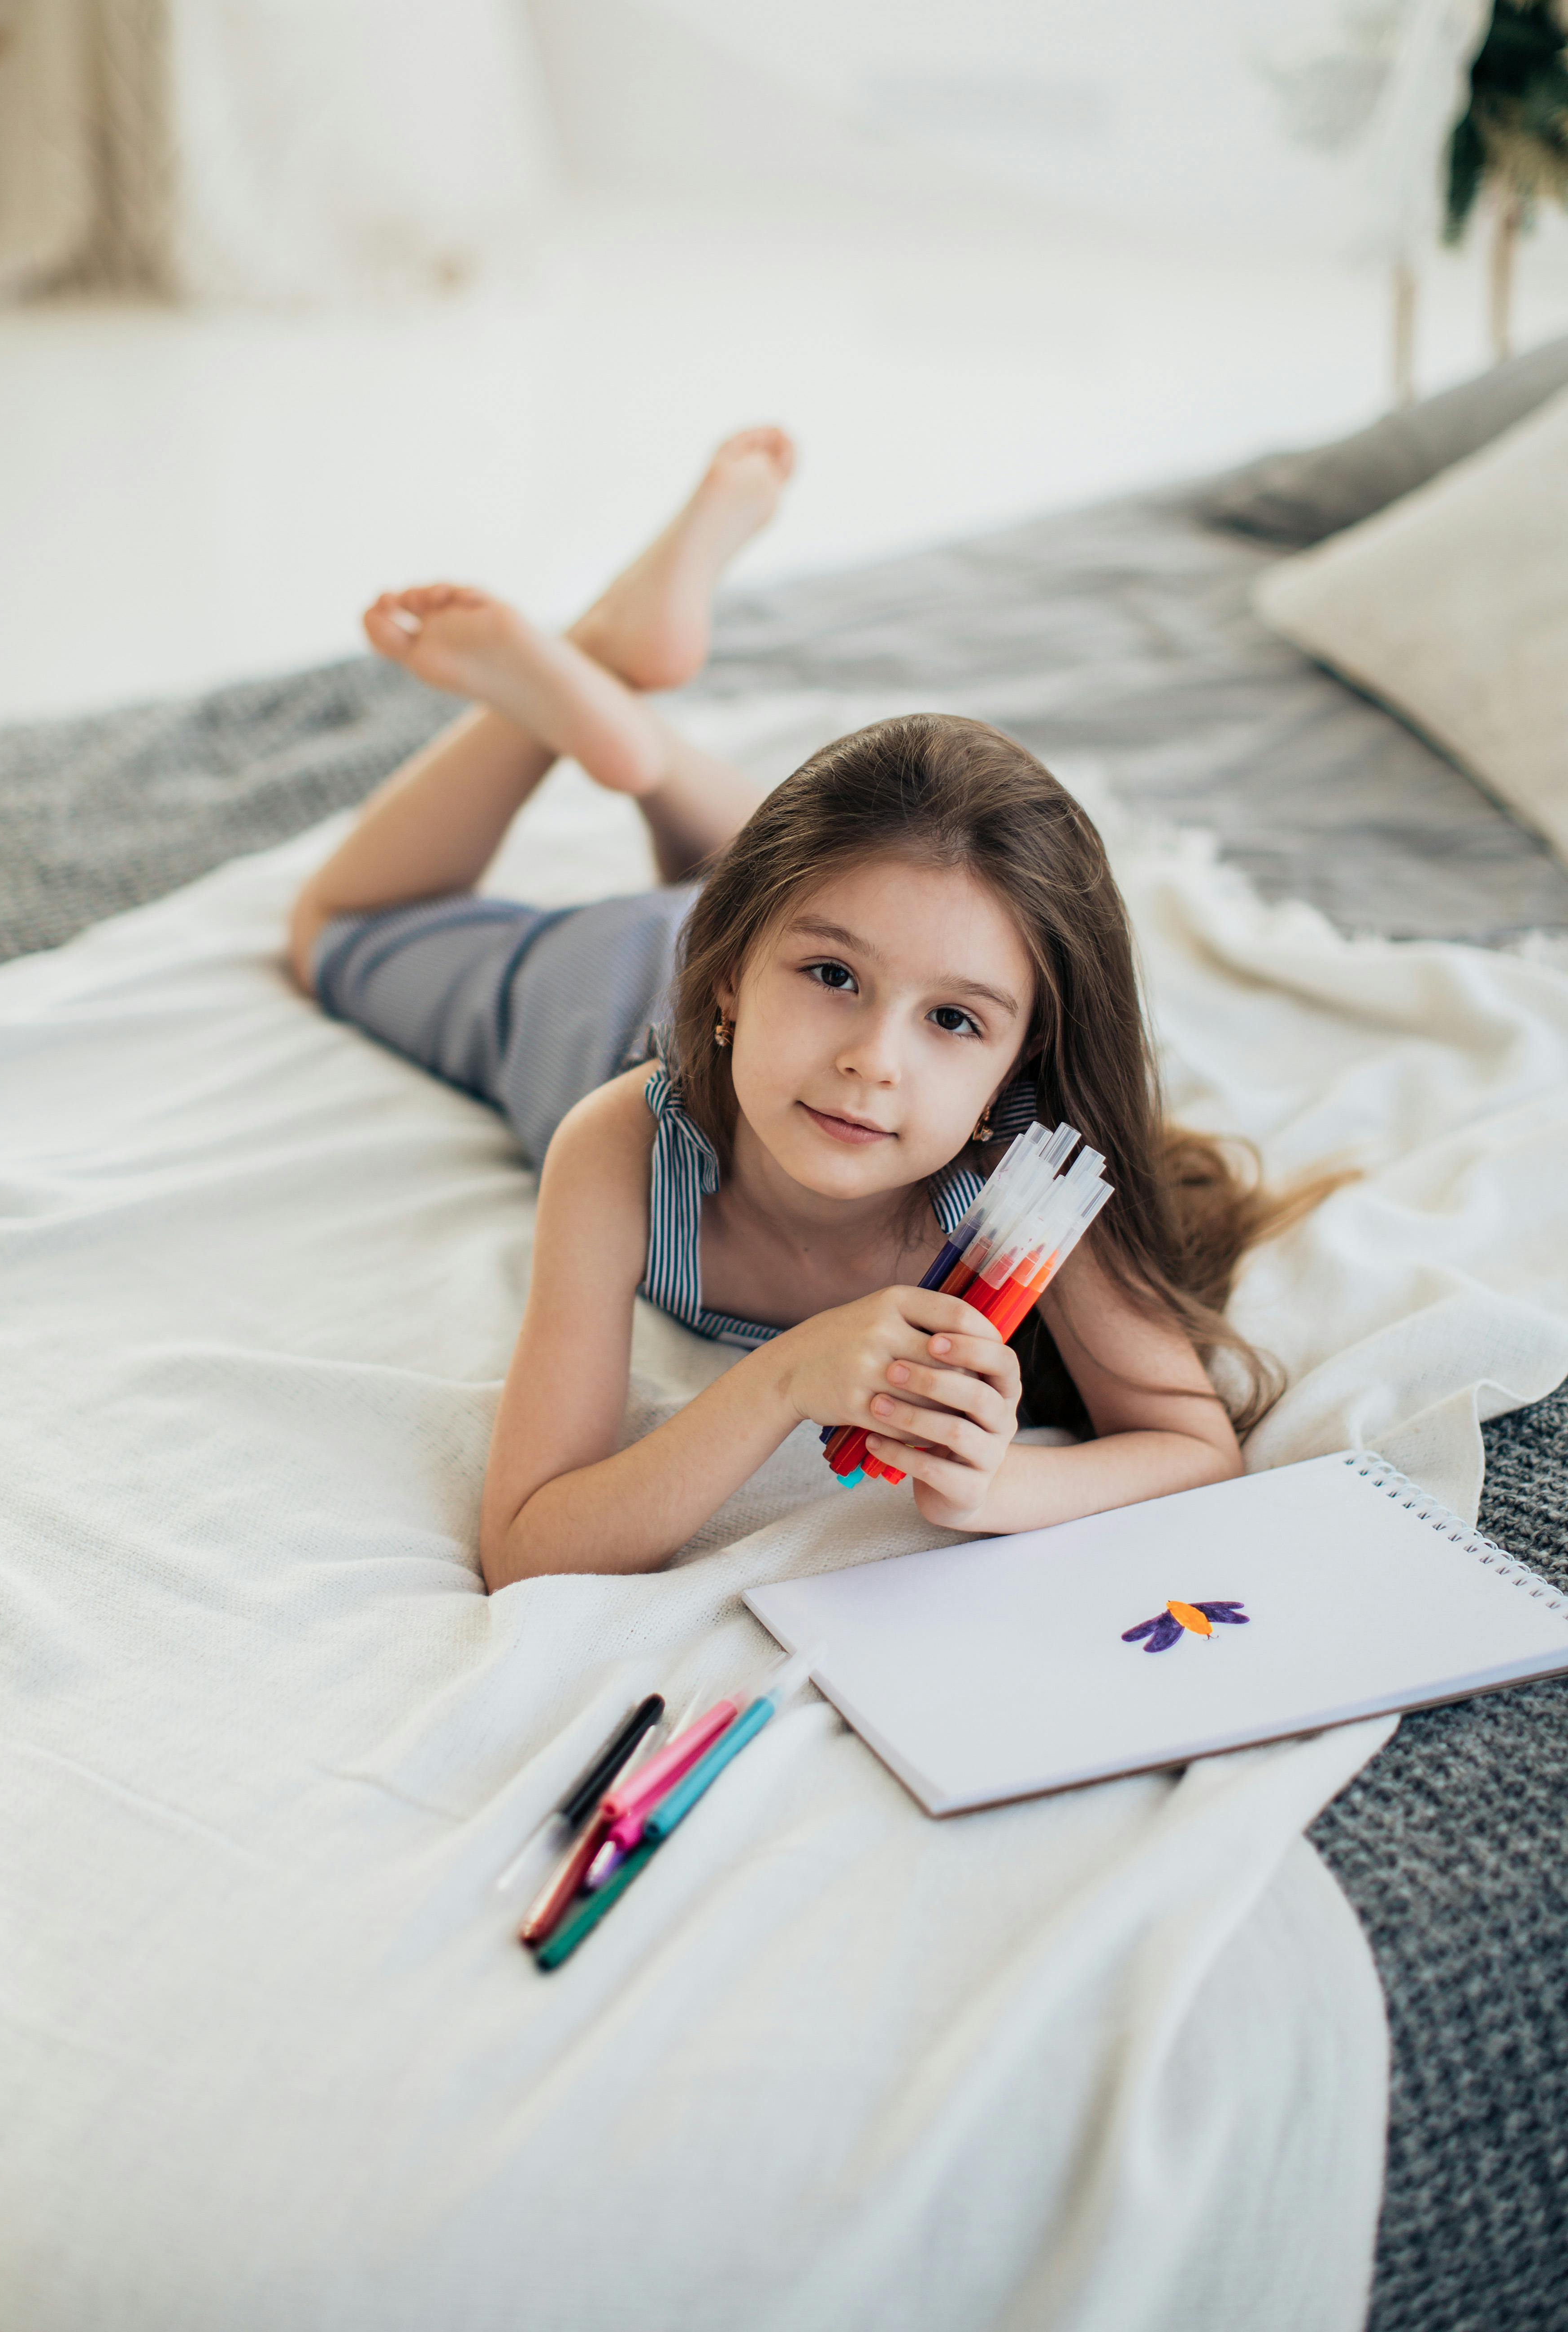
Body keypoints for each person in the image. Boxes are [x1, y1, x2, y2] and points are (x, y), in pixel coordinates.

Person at [290, 430, 1295, 1592]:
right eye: (840, 985)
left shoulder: (1026, 1180)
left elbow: (1194, 1449)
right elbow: (528, 1544)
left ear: (1022, 1055)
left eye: (957, 1022)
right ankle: (576, 682)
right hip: (598, 987)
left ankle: (639, 728)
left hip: (752, 965)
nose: (876, 1064)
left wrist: (998, 1488)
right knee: (340, 929)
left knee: (834, 892)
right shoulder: (617, 1149)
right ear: (722, 986)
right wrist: (778, 1383)